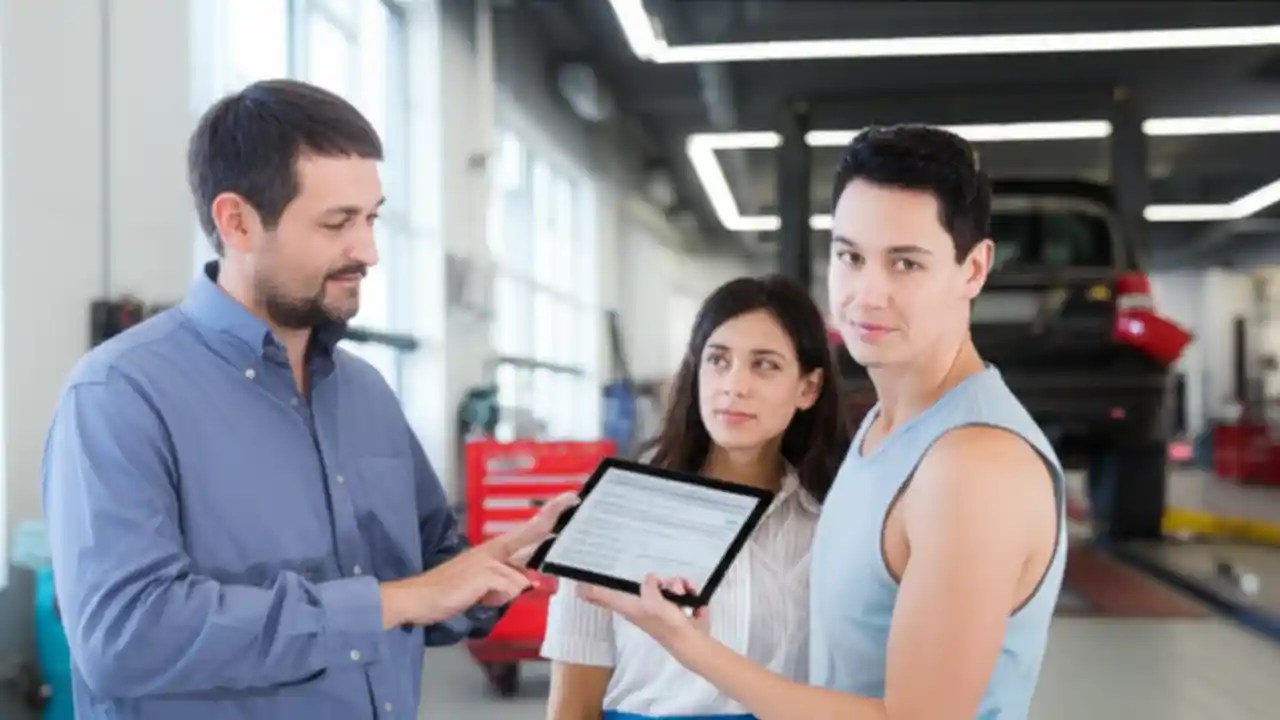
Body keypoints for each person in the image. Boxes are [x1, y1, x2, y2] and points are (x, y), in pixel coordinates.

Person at [40, 78, 575, 719]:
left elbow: (431, 572)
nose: (369, 251)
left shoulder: (366, 392)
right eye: (337, 223)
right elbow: (125, 635)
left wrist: (494, 568)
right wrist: (396, 600)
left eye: (372, 218)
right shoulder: (120, 394)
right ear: (236, 220)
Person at [579, 125, 1067, 719]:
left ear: (973, 268)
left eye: (906, 263)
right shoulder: (880, 431)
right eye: (850, 256)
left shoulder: (973, 464)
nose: (866, 293)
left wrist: (690, 647)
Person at [541, 275, 851, 720]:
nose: (734, 385)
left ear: (809, 388)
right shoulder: (616, 512)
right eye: (718, 360)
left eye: (765, 365)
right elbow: (572, 708)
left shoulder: (831, 524)